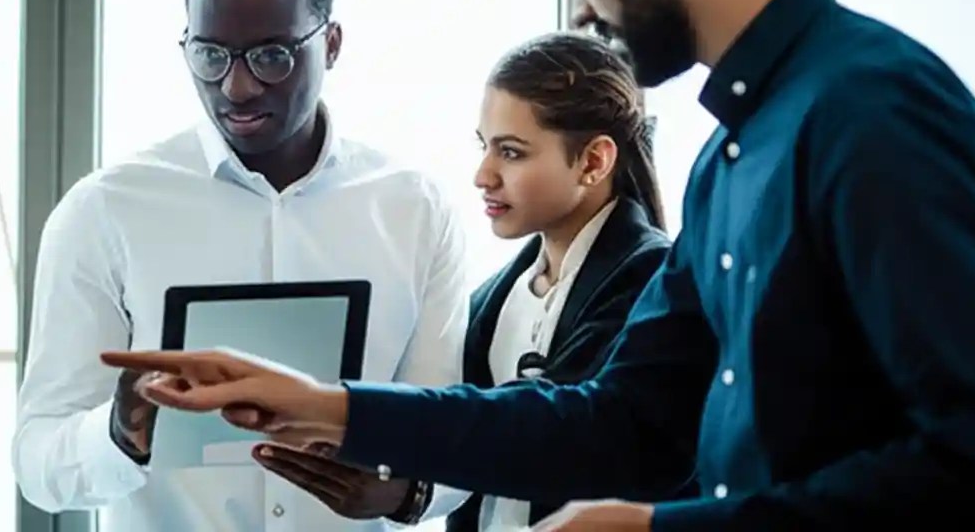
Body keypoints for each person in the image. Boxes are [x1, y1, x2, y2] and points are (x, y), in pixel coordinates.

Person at [101, 0, 975, 529]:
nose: (581, 9)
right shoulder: (734, 158)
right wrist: (323, 405)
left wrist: (667, 531)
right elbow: (613, 420)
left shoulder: (876, 113)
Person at [12, 0, 472, 532]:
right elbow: (38, 463)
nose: (238, 86)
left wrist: (401, 493)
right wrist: (119, 432)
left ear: (331, 44)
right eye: (210, 55)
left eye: (272, 56)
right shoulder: (104, 211)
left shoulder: (416, 212)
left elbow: (459, 438)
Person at [251, 32, 683, 530]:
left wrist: (354, 418)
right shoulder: (494, 299)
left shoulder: (651, 280)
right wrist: (401, 491)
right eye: (485, 147)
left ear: (593, 161)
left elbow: (547, 433)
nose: (483, 174)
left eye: (513, 153)